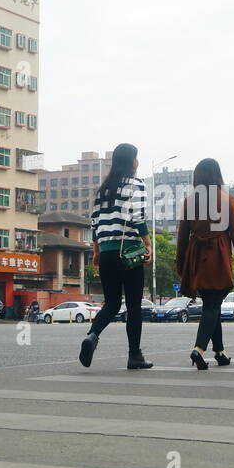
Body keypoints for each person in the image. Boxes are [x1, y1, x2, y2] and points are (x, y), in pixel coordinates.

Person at [79, 143, 153, 370]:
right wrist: (147, 244)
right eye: (136, 159)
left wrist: (96, 251)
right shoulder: (137, 185)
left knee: (111, 304)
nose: (138, 163)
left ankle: (92, 335)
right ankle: (135, 355)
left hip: (107, 254)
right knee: (133, 306)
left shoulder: (103, 190)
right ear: (131, 161)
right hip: (129, 253)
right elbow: (137, 218)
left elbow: (95, 222)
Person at [176, 158, 234, 370]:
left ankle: (220, 352)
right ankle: (198, 349)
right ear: (218, 175)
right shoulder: (227, 200)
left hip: (196, 257)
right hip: (218, 257)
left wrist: (181, 264)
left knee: (212, 303)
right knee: (212, 304)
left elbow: (181, 236)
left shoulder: (190, 201)